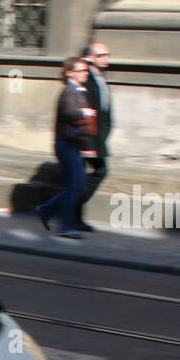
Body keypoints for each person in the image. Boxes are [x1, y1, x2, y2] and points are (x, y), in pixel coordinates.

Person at [36, 57, 97, 241]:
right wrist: (85, 113)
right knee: (75, 186)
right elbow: (67, 113)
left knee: (76, 186)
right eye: (81, 71)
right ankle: (65, 226)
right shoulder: (68, 92)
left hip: (74, 144)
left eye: (86, 71)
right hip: (66, 145)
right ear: (70, 72)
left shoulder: (78, 91)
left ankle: (47, 210)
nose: (85, 73)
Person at [77, 42, 113, 231]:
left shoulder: (100, 77)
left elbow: (104, 111)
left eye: (107, 55)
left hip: (98, 137)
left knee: (82, 179)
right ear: (90, 58)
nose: (105, 58)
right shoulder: (87, 79)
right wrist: (89, 142)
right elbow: (87, 113)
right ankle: (65, 211)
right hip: (88, 139)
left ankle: (59, 211)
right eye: (101, 55)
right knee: (98, 173)